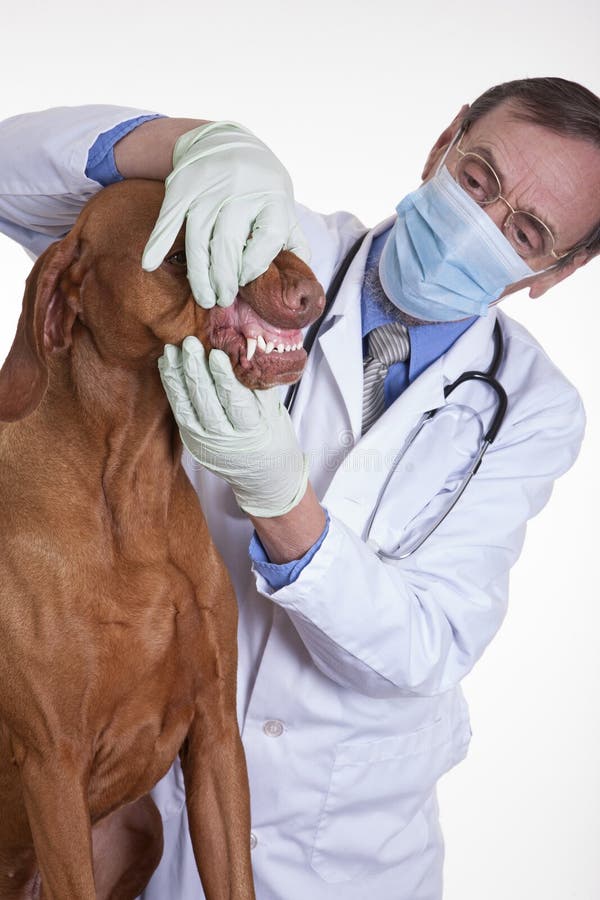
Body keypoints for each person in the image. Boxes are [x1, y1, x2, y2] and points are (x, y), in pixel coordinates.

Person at [0, 76, 599, 899]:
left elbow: (428, 647)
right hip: (146, 814)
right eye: (478, 180)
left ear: (556, 273)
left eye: (526, 231)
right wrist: (191, 144)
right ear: (445, 141)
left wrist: (284, 505)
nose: (479, 229)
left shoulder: (534, 409)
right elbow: (10, 173)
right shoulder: (260, 244)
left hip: (350, 849)